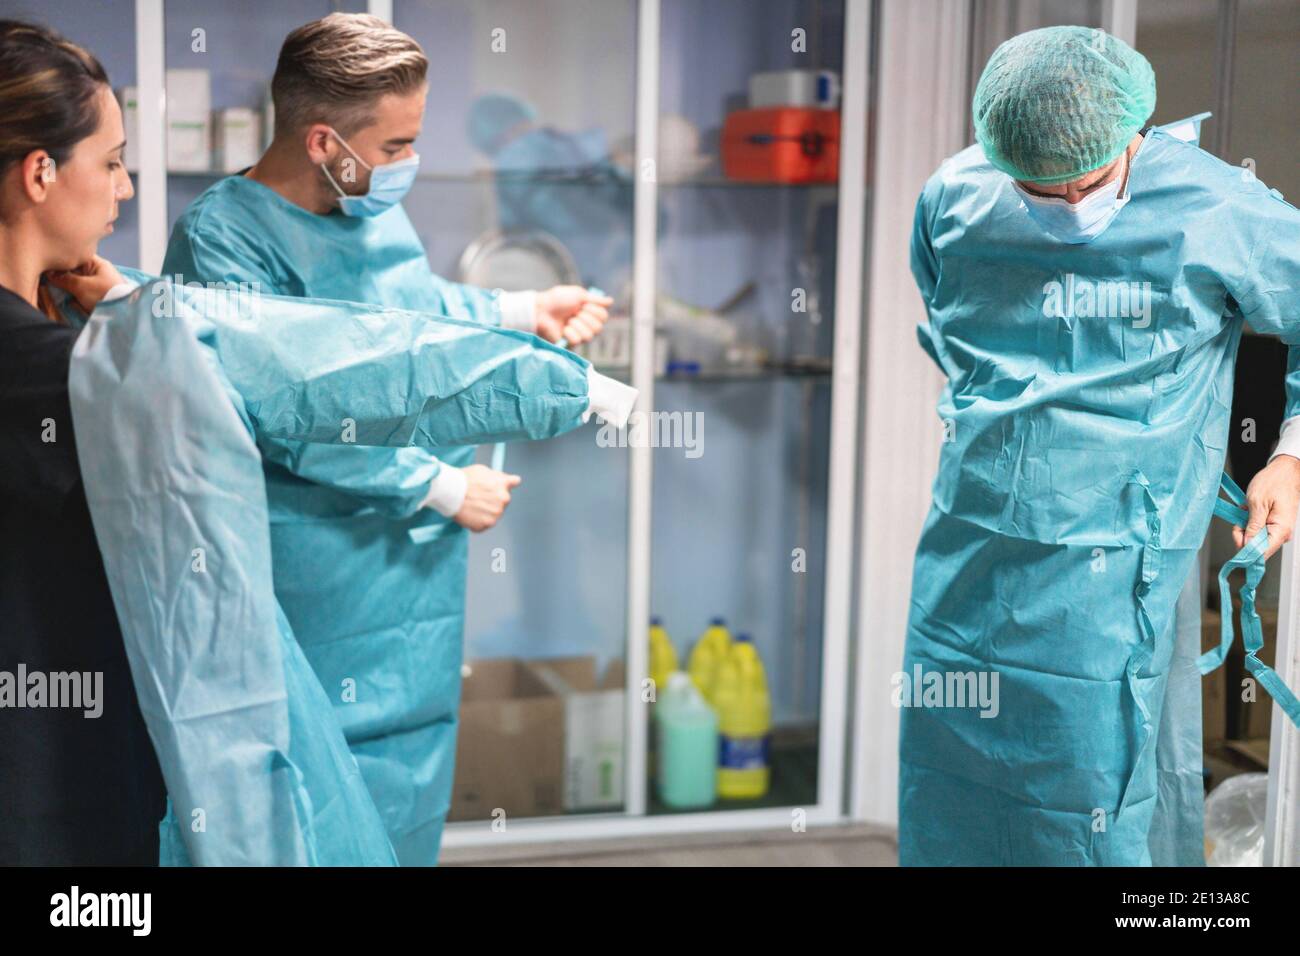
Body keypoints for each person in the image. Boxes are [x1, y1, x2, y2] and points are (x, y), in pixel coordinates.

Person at [161, 13, 623, 865]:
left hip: (410, 575)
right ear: (327, 139)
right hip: (314, 572)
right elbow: (282, 401)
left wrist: (522, 310)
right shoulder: (224, 240)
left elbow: (406, 309)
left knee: (402, 797)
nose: (410, 161)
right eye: (399, 143)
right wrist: (437, 485)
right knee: (310, 797)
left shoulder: (365, 205)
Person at [902, 25, 1300, 866]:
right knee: (951, 777)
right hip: (967, 546)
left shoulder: (1218, 207)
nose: (1064, 204)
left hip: (1111, 562)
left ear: (1135, 132)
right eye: (1036, 189)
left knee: (1089, 792)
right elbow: (950, 322)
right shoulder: (955, 194)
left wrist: (1289, 454)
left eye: (1086, 180)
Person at [0, 18, 166, 864]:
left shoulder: (47, 341)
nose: (124, 189)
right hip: (49, 795)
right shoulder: (44, 363)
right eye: (110, 161)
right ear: (40, 173)